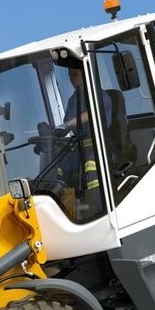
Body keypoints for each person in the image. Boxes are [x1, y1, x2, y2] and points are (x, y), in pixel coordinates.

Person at [56, 65, 111, 218]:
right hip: (78, 151)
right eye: (69, 75)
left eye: (74, 74)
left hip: (98, 149)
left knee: (92, 175)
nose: (71, 79)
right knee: (60, 170)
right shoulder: (73, 99)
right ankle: (68, 215)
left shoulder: (98, 95)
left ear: (86, 75)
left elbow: (92, 113)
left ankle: (98, 213)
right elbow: (68, 124)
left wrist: (68, 124)